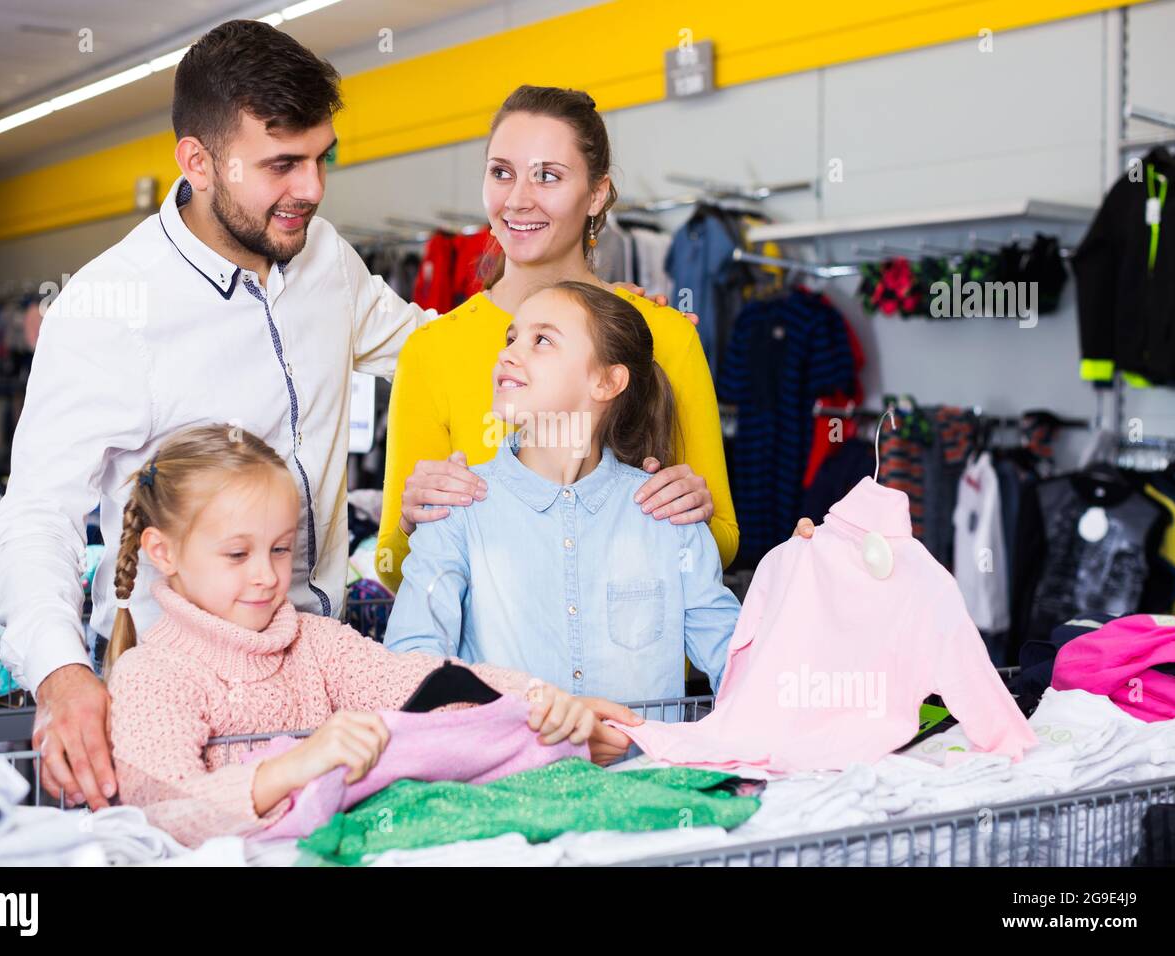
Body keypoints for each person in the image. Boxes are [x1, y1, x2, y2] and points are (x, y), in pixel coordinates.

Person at [0, 20, 437, 811]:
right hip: (189, 707)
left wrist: (583, 316)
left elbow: (432, 350)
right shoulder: (107, 307)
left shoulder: (326, 257)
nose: (312, 188)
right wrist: (62, 674)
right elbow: (34, 515)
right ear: (196, 162)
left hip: (322, 676)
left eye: (319, 157)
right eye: (281, 164)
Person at [105, 424, 630, 848]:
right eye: (238, 554)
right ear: (163, 552)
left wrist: (542, 702)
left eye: (281, 549)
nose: (266, 575)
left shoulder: (316, 643)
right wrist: (292, 768)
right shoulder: (150, 676)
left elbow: (419, 684)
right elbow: (161, 813)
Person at [376, 85, 740, 592]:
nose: (518, 198)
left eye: (547, 175)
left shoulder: (663, 333)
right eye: (502, 172)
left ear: (596, 194)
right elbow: (393, 568)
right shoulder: (432, 349)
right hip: (492, 672)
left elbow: (723, 542)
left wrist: (687, 512)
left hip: (635, 664)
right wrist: (413, 523)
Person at [384, 281, 743, 702]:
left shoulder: (667, 516)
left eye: (542, 340)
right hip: (509, 768)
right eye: (511, 338)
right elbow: (410, 667)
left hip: (637, 768)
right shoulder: (457, 510)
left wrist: (802, 568)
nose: (507, 353)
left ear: (608, 383)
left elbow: (740, 664)